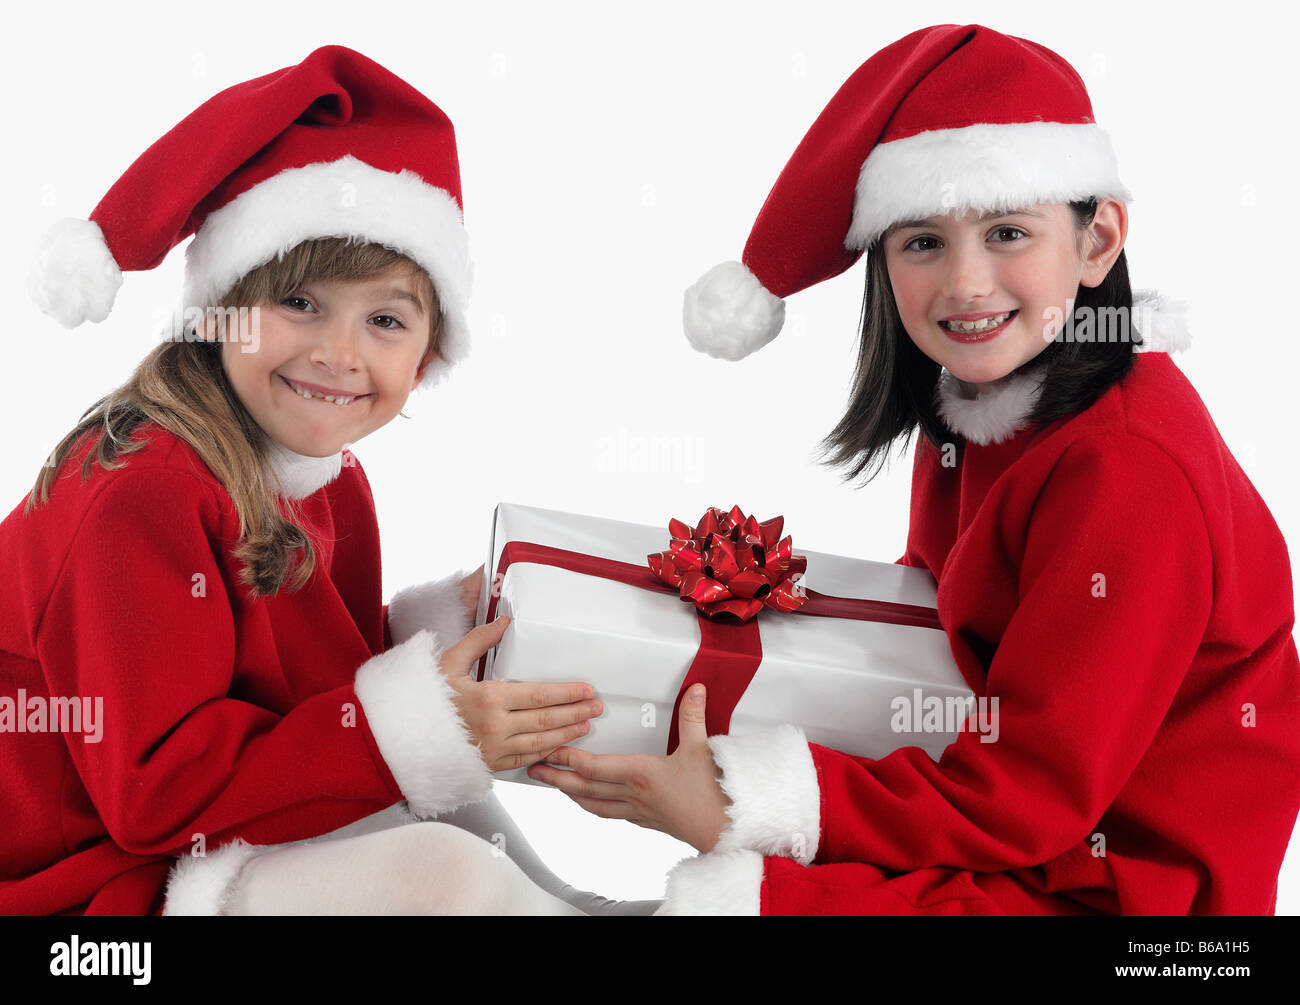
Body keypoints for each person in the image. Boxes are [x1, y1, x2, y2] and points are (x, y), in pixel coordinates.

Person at [527, 23, 1300, 915]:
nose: (966, 284)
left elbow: (1034, 791)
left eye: (1008, 231)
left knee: (751, 901)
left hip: (1137, 905)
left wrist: (749, 802)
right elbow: (929, 650)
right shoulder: (982, 405)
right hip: (1011, 833)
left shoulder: (1125, 471)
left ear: (1098, 243)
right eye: (922, 242)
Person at [3, 44, 657, 916]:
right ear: (219, 311)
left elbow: (309, 690)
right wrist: (412, 722)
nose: (337, 355)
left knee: (437, 771)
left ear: (426, 358)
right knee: (440, 861)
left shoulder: (328, 480)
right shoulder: (144, 491)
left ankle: (569, 904)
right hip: (101, 878)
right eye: (300, 303)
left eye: (383, 320)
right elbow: (157, 791)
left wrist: (431, 646)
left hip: (219, 832)